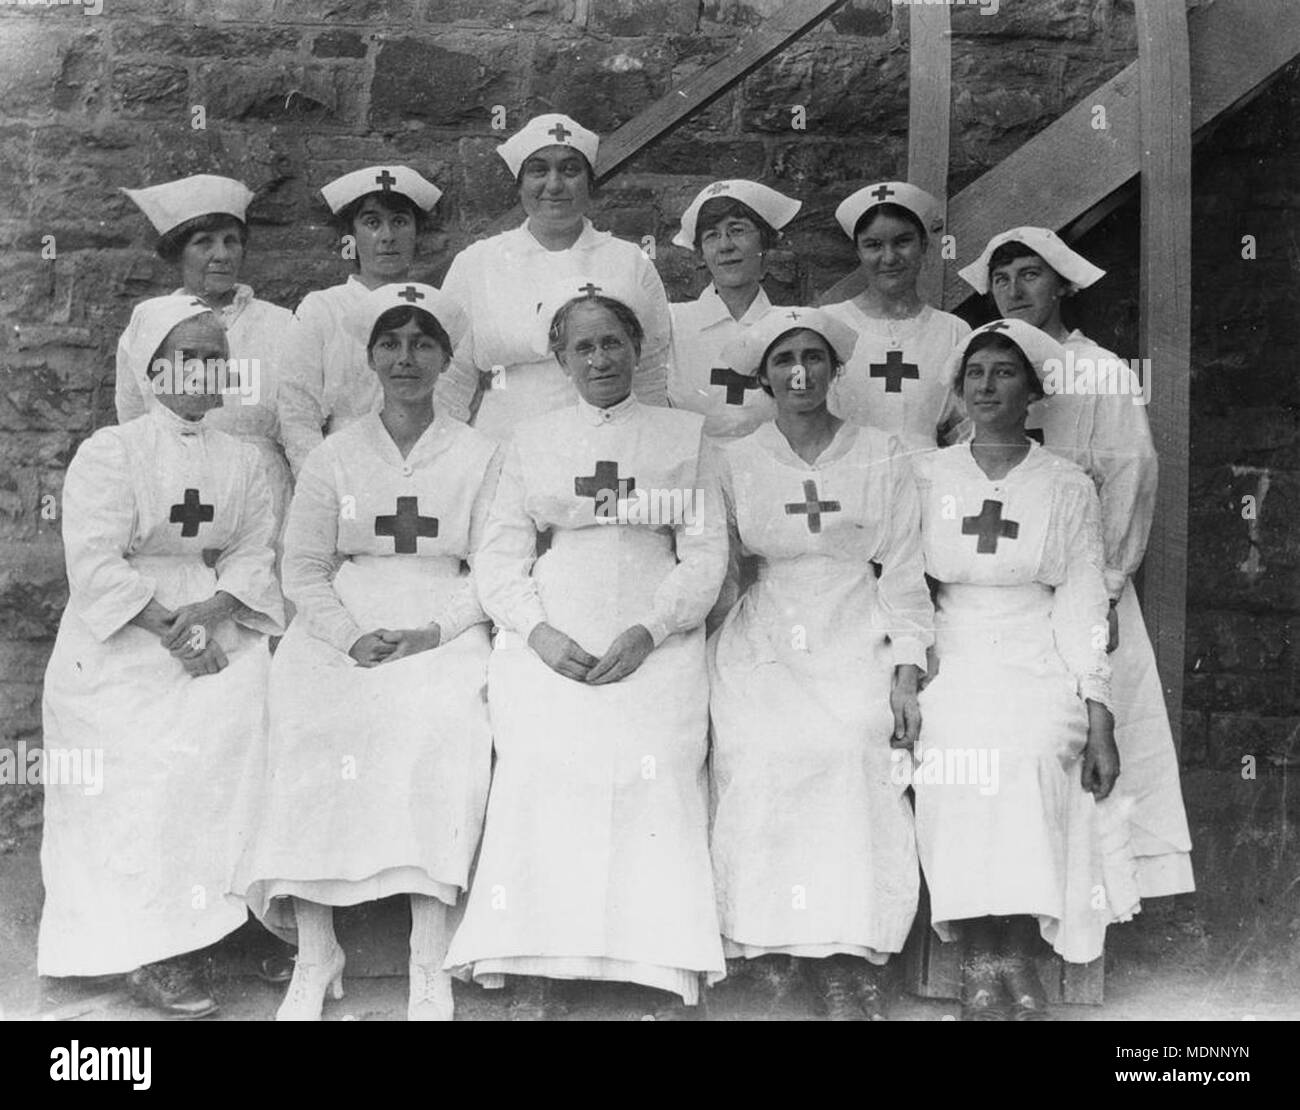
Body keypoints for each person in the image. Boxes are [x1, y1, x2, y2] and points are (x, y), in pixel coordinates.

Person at [444, 291, 727, 1020]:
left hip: (655, 633)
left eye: (613, 344)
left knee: (655, 767)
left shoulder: (685, 436)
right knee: (543, 766)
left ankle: (657, 963)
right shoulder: (532, 440)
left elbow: (703, 557)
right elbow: (499, 557)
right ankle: (532, 959)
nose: (600, 359)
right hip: (554, 633)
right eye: (583, 348)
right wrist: (537, 632)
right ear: (562, 359)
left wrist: (651, 628)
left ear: (637, 349)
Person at [233, 284, 500, 1022]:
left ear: (447, 360)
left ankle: (427, 957)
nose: (406, 359)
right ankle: (317, 951)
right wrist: (349, 635)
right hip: (345, 624)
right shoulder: (335, 456)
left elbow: (493, 568)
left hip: (440, 621)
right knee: (308, 720)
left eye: (422, 345)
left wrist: (434, 633)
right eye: (391, 344)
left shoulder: (479, 454)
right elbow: (304, 567)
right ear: (371, 357)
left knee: (440, 722)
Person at [39, 296, 284, 1018]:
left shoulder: (241, 458)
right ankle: (147, 948)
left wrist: (210, 614)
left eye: (218, 359)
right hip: (121, 643)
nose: (209, 372)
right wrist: (173, 628)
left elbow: (250, 550)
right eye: (192, 358)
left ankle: (230, 923)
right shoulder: (112, 452)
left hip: (210, 619)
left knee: (255, 718)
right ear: (153, 371)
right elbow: (94, 561)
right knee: (145, 759)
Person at [706, 306, 933, 1020]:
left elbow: (901, 571)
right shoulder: (734, 458)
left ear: (836, 370)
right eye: (783, 360)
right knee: (762, 749)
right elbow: (722, 568)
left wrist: (905, 670)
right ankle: (766, 944)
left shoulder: (883, 452)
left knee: (852, 750)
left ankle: (848, 956)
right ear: (763, 377)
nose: (799, 372)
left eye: (813, 357)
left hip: (854, 625)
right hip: (767, 634)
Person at [910, 318, 1140, 1021]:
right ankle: (979, 952)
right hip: (954, 649)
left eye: (1005, 372)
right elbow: (900, 588)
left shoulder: (1066, 485)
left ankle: (1018, 948)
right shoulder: (926, 474)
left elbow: (1079, 604)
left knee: (1034, 750)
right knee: (953, 749)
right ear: (958, 387)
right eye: (975, 372)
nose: (987, 386)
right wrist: (907, 670)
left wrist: (1098, 712)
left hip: (1036, 650)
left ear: (1035, 391)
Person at [957, 227, 1194, 898]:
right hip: (1000, 588)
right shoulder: (980, 368)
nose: (1016, 290)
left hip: (1086, 593)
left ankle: (1095, 898)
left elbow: (1129, 477)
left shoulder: (1099, 373)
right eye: (1002, 278)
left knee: (1092, 741)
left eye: (1032, 274)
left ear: (1062, 284)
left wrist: (1110, 588)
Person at [433, 114, 672, 440]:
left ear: (590, 182)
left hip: (609, 442)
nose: (555, 184)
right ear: (519, 184)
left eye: (570, 170)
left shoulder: (629, 261)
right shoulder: (478, 262)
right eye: (539, 170)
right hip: (504, 439)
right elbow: (451, 380)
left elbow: (652, 373)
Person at [116, 174, 294, 535]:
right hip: (173, 485)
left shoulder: (282, 324)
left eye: (231, 241)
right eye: (204, 243)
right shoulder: (148, 323)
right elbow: (133, 415)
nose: (222, 255)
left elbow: (298, 421)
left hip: (260, 493)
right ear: (178, 252)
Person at [277, 165, 443, 476]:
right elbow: (297, 411)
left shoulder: (437, 309)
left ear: (417, 234)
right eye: (372, 223)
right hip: (345, 467)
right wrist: (323, 485)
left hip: (426, 464)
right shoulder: (322, 309)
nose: (388, 237)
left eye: (400, 222)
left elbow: (452, 399)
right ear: (350, 238)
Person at [820, 181, 971, 451]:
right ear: (858, 251)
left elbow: (966, 431)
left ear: (924, 245)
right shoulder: (828, 324)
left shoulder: (953, 331)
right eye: (874, 245)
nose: (889, 258)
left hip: (927, 484)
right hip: (850, 481)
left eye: (902, 242)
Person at [667, 179, 801, 439]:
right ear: (701, 254)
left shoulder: (791, 328)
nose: (725, 245)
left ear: (764, 245)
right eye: (712, 236)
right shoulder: (672, 322)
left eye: (737, 230)